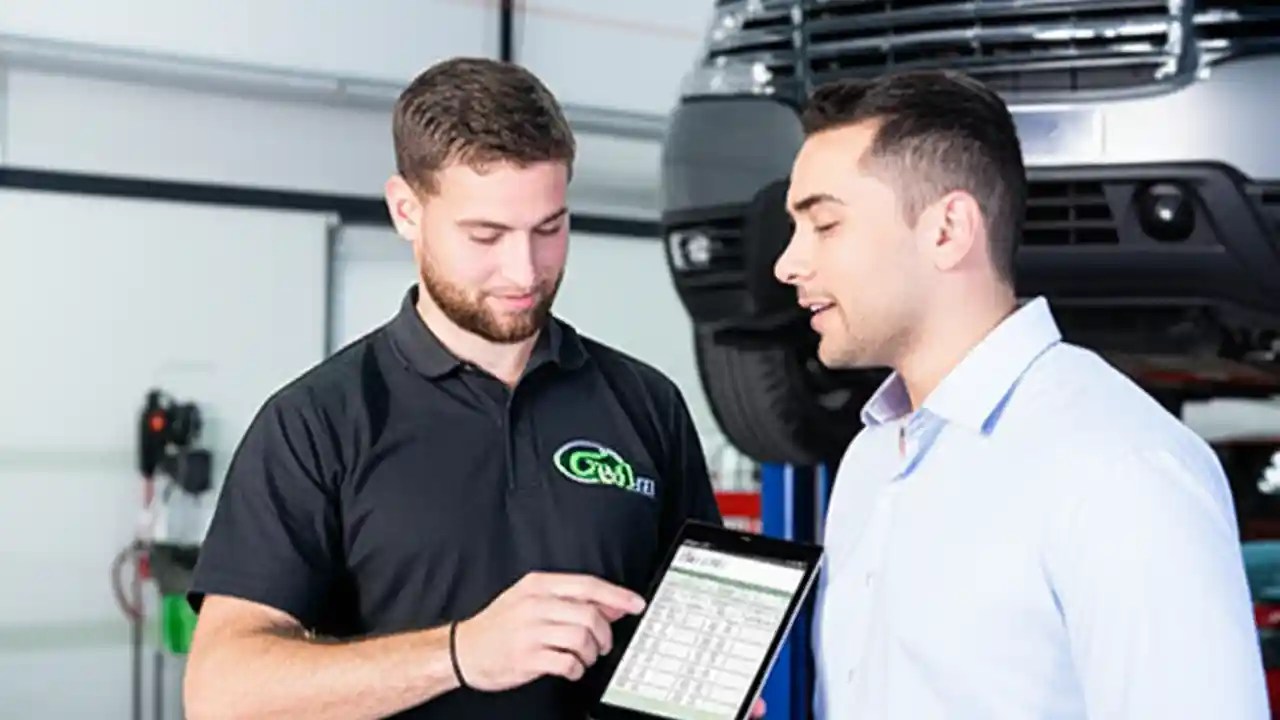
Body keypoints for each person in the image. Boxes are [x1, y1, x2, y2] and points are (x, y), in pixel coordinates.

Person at [181, 57, 726, 720]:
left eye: (549, 228)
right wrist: (461, 653)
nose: (524, 270)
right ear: (406, 210)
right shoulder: (316, 424)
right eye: (486, 235)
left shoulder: (647, 406)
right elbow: (221, 693)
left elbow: (697, 645)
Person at [773, 69, 1269, 719]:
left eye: (825, 225)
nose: (787, 264)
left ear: (948, 230)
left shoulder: (1119, 467)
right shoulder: (871, 459)